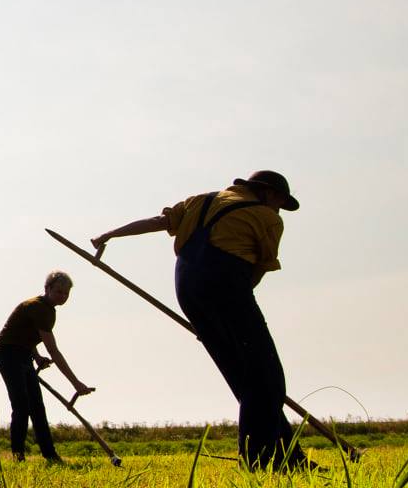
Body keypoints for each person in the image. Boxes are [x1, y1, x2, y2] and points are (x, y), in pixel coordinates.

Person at [90, 171, 313, 471]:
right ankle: (259, 461)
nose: (278, 210)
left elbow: (158, 223)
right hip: (226, 287)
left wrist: (110, 235)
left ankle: (288, 457)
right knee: (268, 378)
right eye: (279, 203)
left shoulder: (201, 200)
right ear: (268, 193)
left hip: (187, 289)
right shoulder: (267, 218)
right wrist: (229, 312)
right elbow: (257, 272)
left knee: (246, 379)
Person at [0, 270, 92, 464]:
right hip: (7, 353)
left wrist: (36, 356)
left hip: (24, 354)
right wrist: (75, 383)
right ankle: (18, 456)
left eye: (66, 293)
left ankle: (50, 455)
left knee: (37, 407)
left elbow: (28, 334)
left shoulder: (48, 309)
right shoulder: (37, 307)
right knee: (21, 405)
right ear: (47, 289)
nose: (62, 296)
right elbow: (54, 351)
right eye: (58, 292)